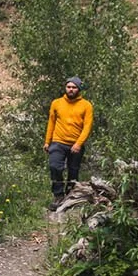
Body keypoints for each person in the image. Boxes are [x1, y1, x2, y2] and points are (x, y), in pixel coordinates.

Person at [44, 76, 93, 207]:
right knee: (55, 167)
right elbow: (51, 123)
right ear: (65, 88)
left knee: (73, 171)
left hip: (76, 144)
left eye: (74, 87)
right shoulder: (56, 103)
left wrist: (78, 144)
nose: (71, 89)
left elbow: (87, 127)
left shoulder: (86, 105)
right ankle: (58, 196)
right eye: (69, 87)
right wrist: (47, 141)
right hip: (58, 142)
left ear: (79, 89)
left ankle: (71, 196)